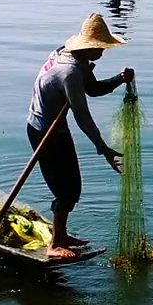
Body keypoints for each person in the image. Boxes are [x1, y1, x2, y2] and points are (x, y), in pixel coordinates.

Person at [28, 14, 135, 255]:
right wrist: (103, 148)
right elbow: (82, 116)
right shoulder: (71, 72)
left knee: (72, 186)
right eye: (101, 47)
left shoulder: (70, 56)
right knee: (65, 189)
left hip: (55, 128)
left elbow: (94, 90)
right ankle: (55, 244)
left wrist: (119, 79)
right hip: (45, 131)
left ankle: (62, 236)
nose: (103, 52)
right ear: (89, 47)